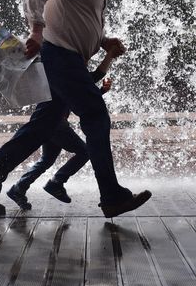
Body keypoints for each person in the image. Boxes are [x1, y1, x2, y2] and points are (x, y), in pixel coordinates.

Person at [0, 0, 152, 218]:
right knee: (95, 116)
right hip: (59, 56)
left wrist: (103, 41)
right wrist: (36, 30)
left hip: (68, 60)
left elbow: (77, 19)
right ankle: (112, 196)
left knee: (42, 128)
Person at [6, 50, 116, 210]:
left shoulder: (63, 74)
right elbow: (97, 75)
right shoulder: (66, 74)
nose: (84, 64)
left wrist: (101, 91)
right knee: (84, 152)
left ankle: (19, 188)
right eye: (82, 61)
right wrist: (110, 56)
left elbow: (79, 95)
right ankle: (57, 182)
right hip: (55, 123)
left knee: (47, 160)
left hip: (49, 122)